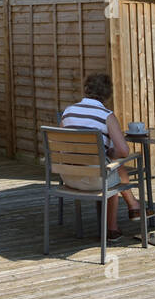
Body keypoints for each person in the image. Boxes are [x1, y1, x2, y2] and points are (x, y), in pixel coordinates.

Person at [59, 73, 146, 239]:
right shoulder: (106, 115)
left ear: (86, 90)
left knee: (108, 164)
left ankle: (133, 205)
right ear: (107, 94)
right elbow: (123, 151)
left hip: (68, 177)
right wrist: (110, 152)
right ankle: (114, 227)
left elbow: (63, 147)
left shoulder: (68, 112)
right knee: (112, 164)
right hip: (95, 180)